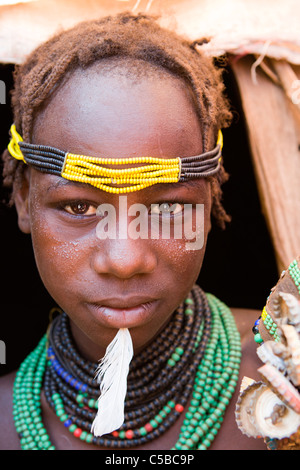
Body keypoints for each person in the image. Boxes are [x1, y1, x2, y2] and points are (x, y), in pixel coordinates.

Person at [0, 12, 267, 450]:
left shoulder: (282, 376)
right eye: (79, 206)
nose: (125, 259)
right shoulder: (5, 423)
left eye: (167, 208)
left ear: (210, 198)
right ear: (25, 197)